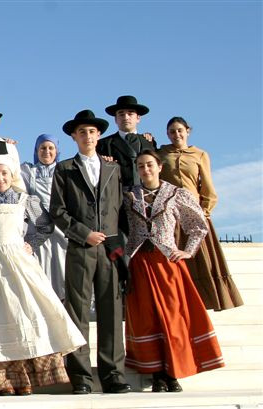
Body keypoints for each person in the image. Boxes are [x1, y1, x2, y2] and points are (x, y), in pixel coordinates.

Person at [0, 154, 86, 395]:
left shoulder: (27, 199)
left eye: (4, 173)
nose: (0, 178)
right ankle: (1, 380)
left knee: (23, 311)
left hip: (19, 261)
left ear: (12, 175)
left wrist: (30, 243)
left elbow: (45, 225)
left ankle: (26, 377)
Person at [124, 150, 224, 392]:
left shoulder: (176, 194)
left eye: (149, 165)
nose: (145, 170)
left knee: (172, 316)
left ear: (159, 167)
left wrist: (187, 251)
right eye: (140, 166)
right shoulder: (128, 195)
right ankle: (156, 372)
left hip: (166, 263)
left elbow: (198, 225)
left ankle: (173, 372)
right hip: (139, 262)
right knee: (146, 318)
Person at [49, 110, 131, 394]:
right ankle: (81, 377)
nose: (87, 136)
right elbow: (57, 211)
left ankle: (113, 375)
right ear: (74, 136)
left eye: (92, 131)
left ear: (98, 136)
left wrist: (120, 244)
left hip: (110, 248)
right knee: (77, 312)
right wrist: (84, 233)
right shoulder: (65, 169)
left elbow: (121, 210)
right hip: (81, 248)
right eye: (81, 132)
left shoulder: (113, 169)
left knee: (111, 310)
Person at [158, 117, 243, 311]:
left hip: (195, 215)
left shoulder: (200, 154)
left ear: (188, 131)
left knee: (201, 259)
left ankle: (206, 299)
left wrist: (204, 212)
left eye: (180, 130)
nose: (176, 134)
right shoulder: (161, 153)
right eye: (172, 131)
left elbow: (207, 186)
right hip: (171, 215)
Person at [20, 134, 67, 299]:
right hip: (38, 227)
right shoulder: (28, 171)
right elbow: (8, 170)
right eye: (43, 148)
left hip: (62, 228)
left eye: (51, 148)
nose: (46, 151)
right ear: (36, 150)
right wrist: (8, 145)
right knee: (41, 271)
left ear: (57, 151)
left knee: (62, 269)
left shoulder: (65, 171)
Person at [96, 95, 157, 188]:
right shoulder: (103, 144)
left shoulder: (149, 142)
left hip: (146, 195)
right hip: (118, 197)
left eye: (130, 113)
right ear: (116, 119)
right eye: (121, 114)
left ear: (138, 118)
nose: (126, 117)